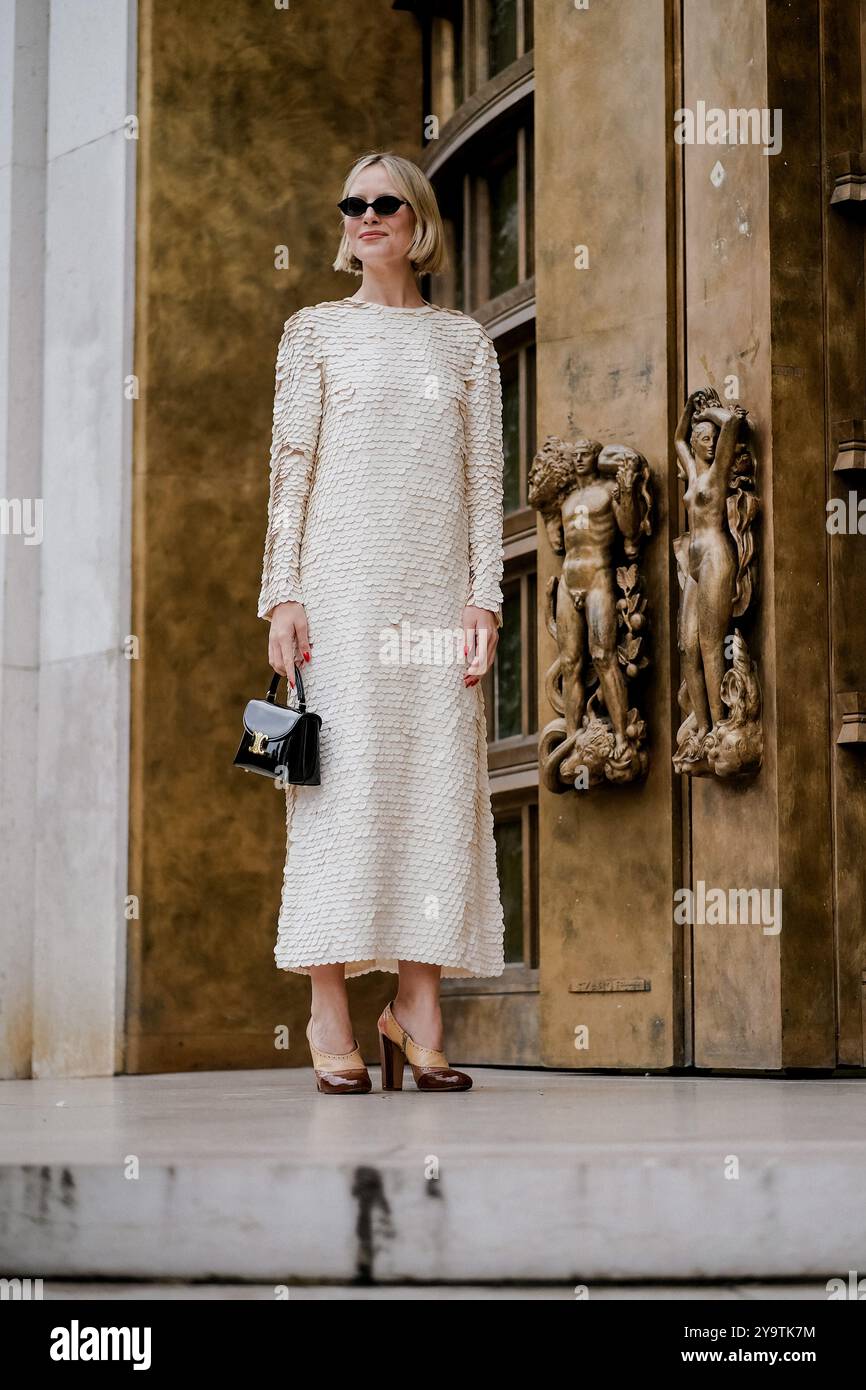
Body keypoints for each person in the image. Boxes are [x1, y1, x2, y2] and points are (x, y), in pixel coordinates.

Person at [258, 151, 506, 1094]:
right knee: (335, 793)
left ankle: (416, 1010)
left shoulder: (464, 344)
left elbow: (485, 481)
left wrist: (484, 596)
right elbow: (291, 471)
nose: (367, 216)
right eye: (353, 204)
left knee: (435, 791)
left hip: (436, 596)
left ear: (418, 220)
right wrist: (281, 592)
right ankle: (328, 1009)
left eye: (385, 203)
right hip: (338, 592)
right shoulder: (313, 332)